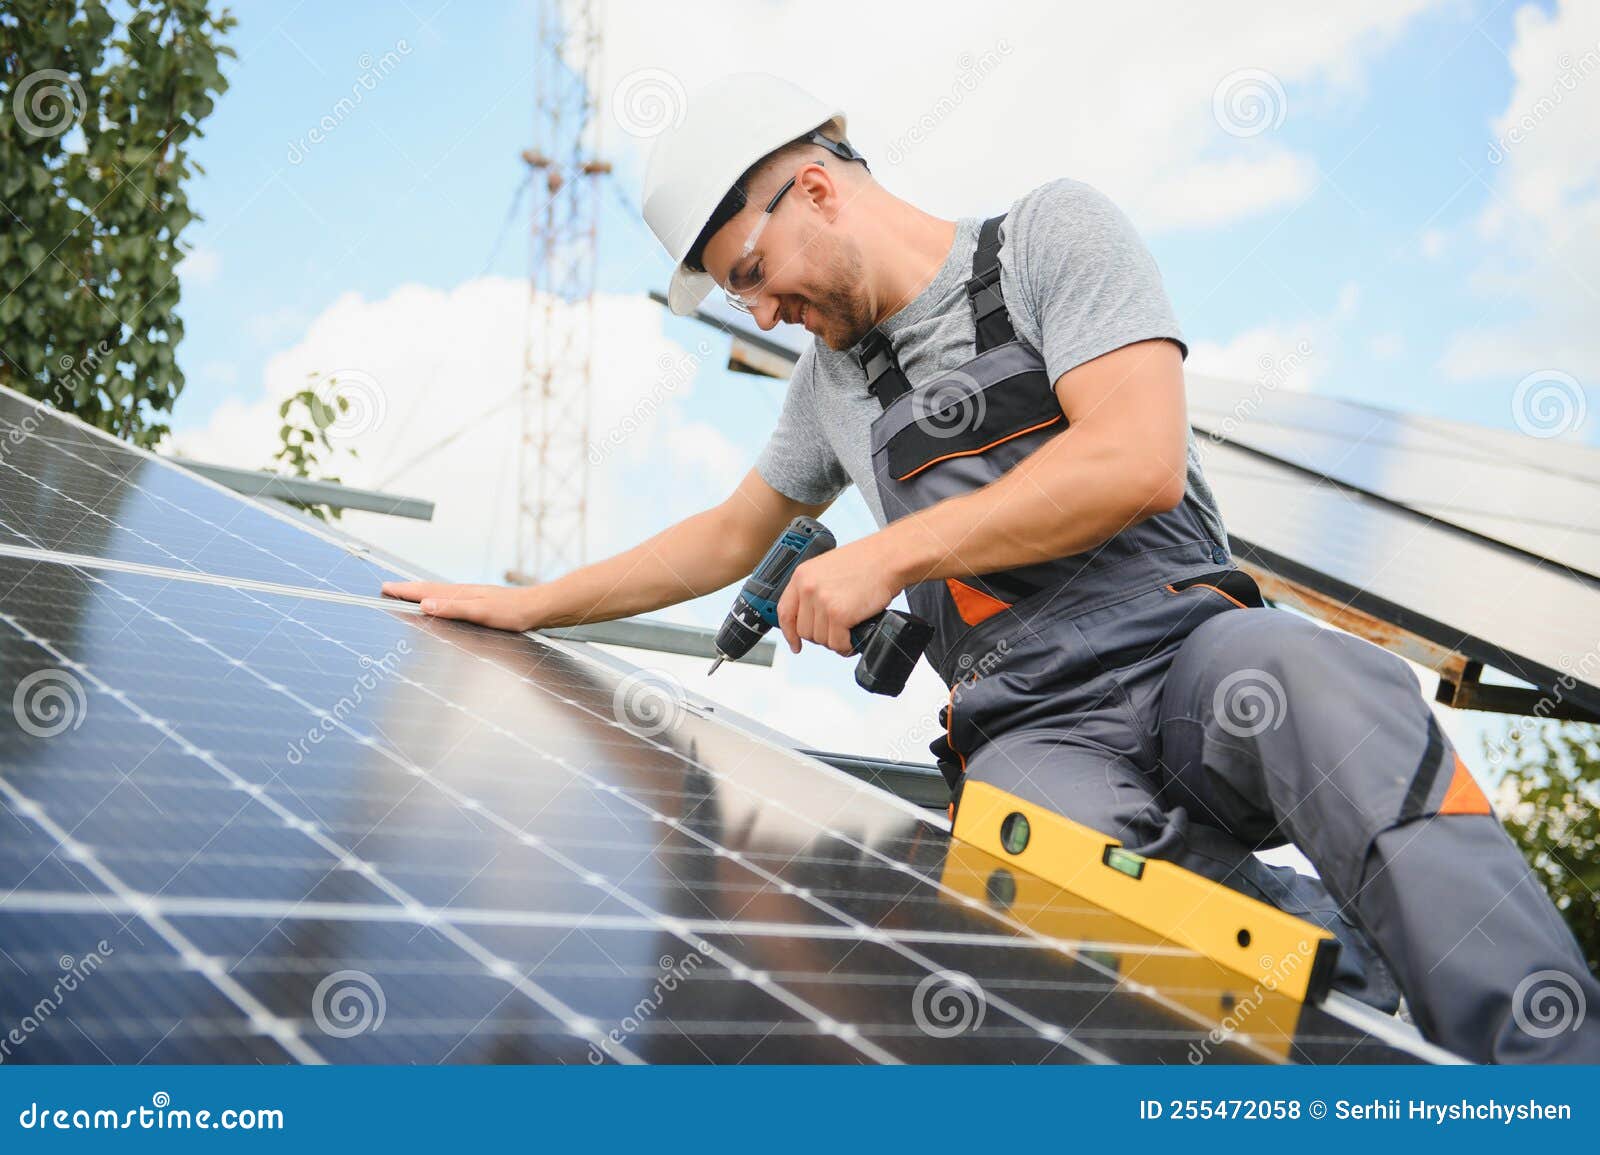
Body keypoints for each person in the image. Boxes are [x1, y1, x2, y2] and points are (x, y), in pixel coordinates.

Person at [384, 72, 1600, 1064]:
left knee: (1313, 681)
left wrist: (890, 552)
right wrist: (521, 601)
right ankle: (1351, 996)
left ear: (812, 189)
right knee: (1032, 878)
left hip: (1192, 654)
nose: (757, 313)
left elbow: (1134, 461)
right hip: (1035, 725)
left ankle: (1555, 1073)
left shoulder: (1047, 241)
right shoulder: (827, 391)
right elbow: (716, 539)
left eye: (750, 274)